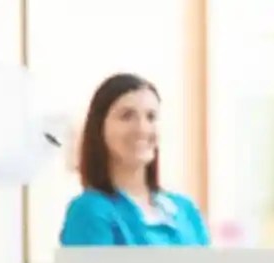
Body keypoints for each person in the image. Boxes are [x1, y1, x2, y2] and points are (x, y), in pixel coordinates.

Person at [59, 73, 209, 246]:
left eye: (151, 117)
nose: (142, 128)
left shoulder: (185, 210)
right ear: (99, 127)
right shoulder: (89, 211)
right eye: (127, 116)